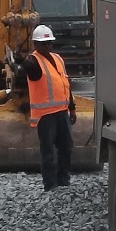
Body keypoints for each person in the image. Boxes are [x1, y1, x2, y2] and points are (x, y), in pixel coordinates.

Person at [21, 24, 75, 190]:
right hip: (46, 115)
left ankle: (63, 180)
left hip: (62, 111)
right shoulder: (33, 62)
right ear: (35, 45)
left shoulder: (58, 59)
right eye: (44, 43)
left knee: (66, 146)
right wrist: (18, 59)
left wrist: (72, 108)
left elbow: (66, 84)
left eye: (50, 43)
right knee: (48, 151)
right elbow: (28, 68)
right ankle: (50, 184)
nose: (48, 46)